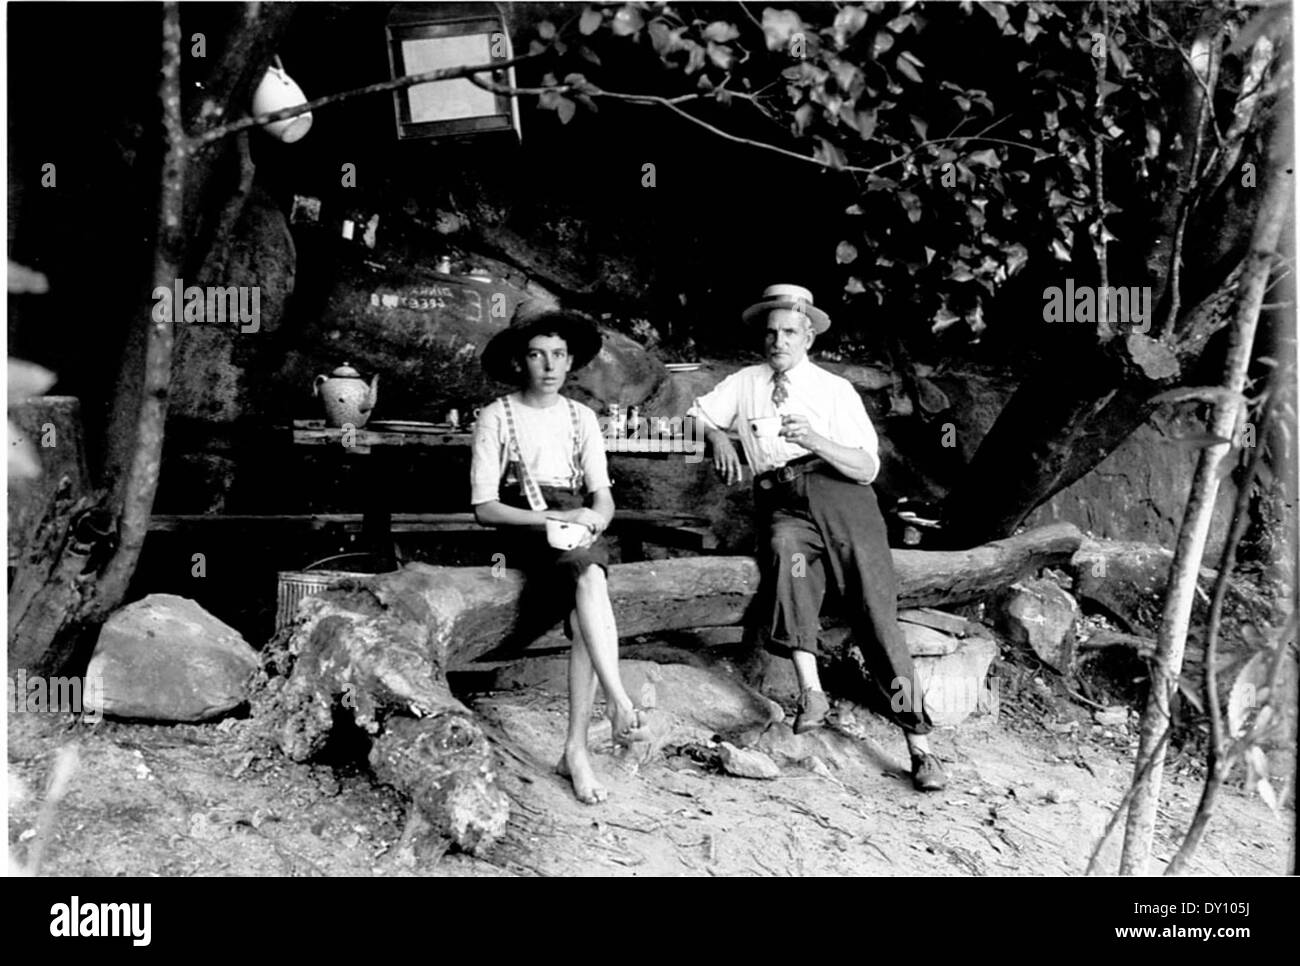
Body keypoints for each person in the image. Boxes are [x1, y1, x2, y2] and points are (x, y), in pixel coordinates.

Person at [688, 284, 948, 792]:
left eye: (789, 332)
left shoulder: (834, 390)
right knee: (788, 560)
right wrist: (718, 435)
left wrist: (814, 439)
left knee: (875, 613)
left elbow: (866, 466)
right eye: (771, 333)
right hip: (784, 505)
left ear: (808, 336)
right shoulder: (744, 382)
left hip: (842, 499)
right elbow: (698, 412)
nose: (778, 341)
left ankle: (920, 746)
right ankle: (812, 692)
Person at [471, 307, 647, 804]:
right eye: (535, 354)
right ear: (519, 362)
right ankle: (615, 703)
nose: (548, 366)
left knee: (587, 583)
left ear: (570, 363)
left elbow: (603, 498)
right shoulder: (497, 415)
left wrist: (593, 518)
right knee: (588, 578)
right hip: (522, 528)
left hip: (574, 531)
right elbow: (485, 508)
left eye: (558, 355)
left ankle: (578, 747)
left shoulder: (581, 417)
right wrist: (548, 522)